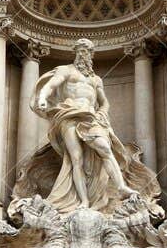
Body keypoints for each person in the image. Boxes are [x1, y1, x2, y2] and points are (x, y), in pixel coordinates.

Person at [32, 38, 139, 212]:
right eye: (81, 51)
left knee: (104, 148)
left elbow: (104, 102)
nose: (84, 54)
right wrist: (43, 97)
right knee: (76, 158)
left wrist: (102, 112)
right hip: (69, 114)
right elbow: (50, 86)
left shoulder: (96, 79)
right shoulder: (66, 71)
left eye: (88, 51)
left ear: (91, 55)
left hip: (91, 117)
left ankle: (121, 187)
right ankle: (83, 201)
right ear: (76, 52)